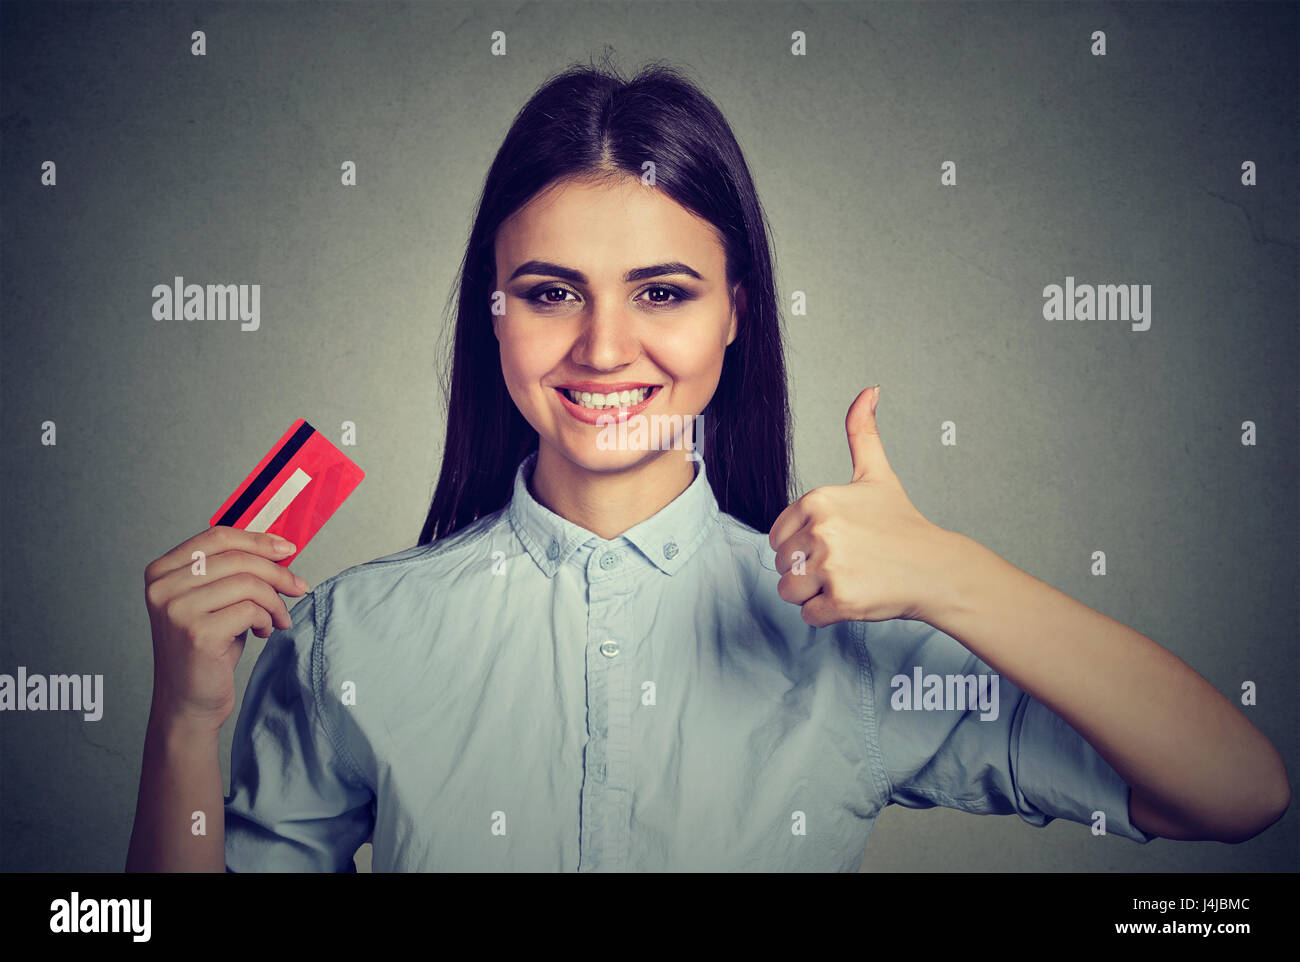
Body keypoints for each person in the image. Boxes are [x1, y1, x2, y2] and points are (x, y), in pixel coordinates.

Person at [127, 58, 1289, 873]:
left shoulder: (844, 639)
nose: (601, 347)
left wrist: (950, 574)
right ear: (494, 312)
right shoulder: (351, 636)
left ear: (737, 312)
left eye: (663, 292)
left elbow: (1236, 791)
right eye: (548, 292)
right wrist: (184, 717)